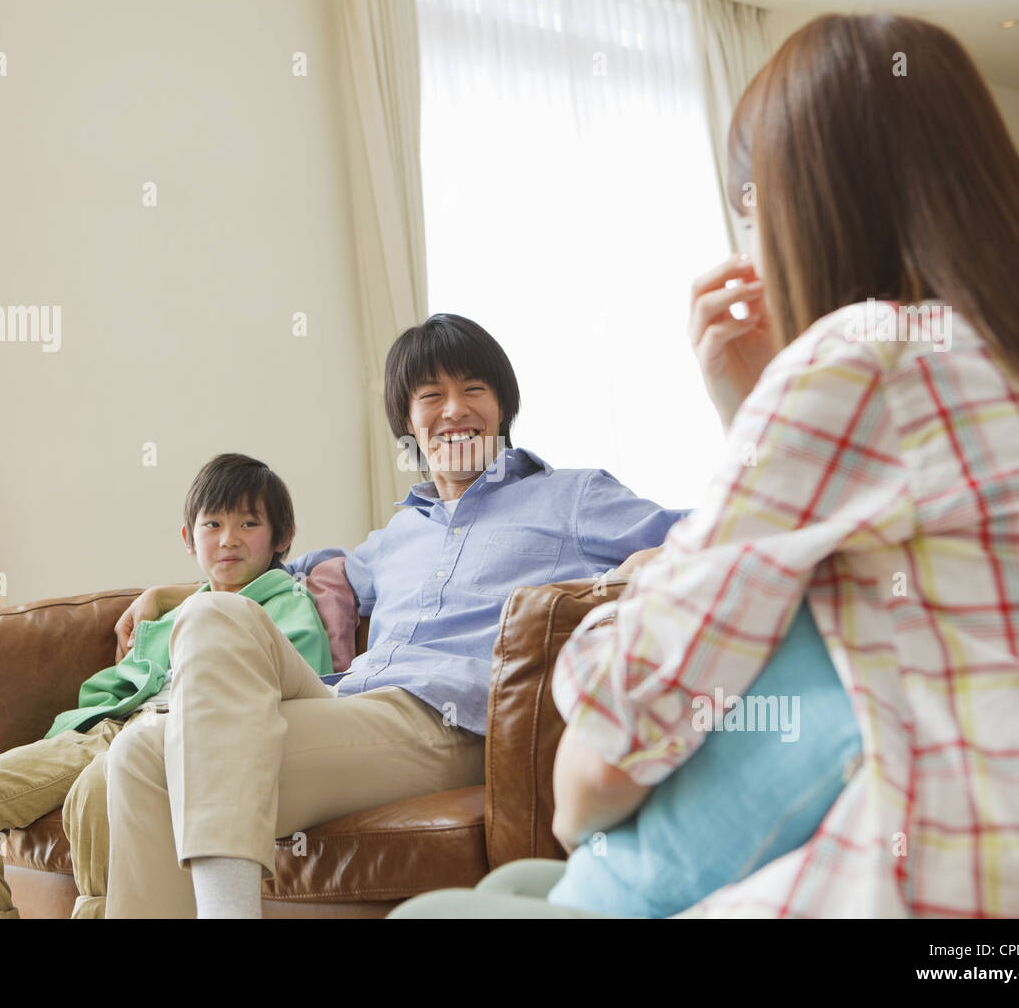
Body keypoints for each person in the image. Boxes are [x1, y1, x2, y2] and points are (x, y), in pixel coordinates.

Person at [391, 12, 1019, 919]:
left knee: (437, 912)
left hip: (931, 885)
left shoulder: (860, 358)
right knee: (519, 885)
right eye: (429, 399)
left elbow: (597, 769)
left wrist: (771, 403)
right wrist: (753, 413)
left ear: (794, 204)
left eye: (747, 205)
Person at [102, 313, 685, 917]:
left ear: (503, 408)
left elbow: (705, 538)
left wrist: (629, 571)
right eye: (431, 396)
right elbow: (272, 571)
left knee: (153, 763)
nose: (454, 410)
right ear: (408, 424)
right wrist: (170, 595)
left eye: (473, 390)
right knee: (144, 747)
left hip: (451, 723)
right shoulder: (397, 533)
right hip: (349, 706)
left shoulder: (572, 496)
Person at [0, 453, 330, 918]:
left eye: (248, 524)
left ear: (283, 536)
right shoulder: (171, 614)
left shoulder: (289, 607)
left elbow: (297, 700)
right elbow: (108, 689)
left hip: (173, 741)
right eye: (211, 524)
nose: (228, 539)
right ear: (188, 539)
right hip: (104, 731)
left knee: (97, 795)